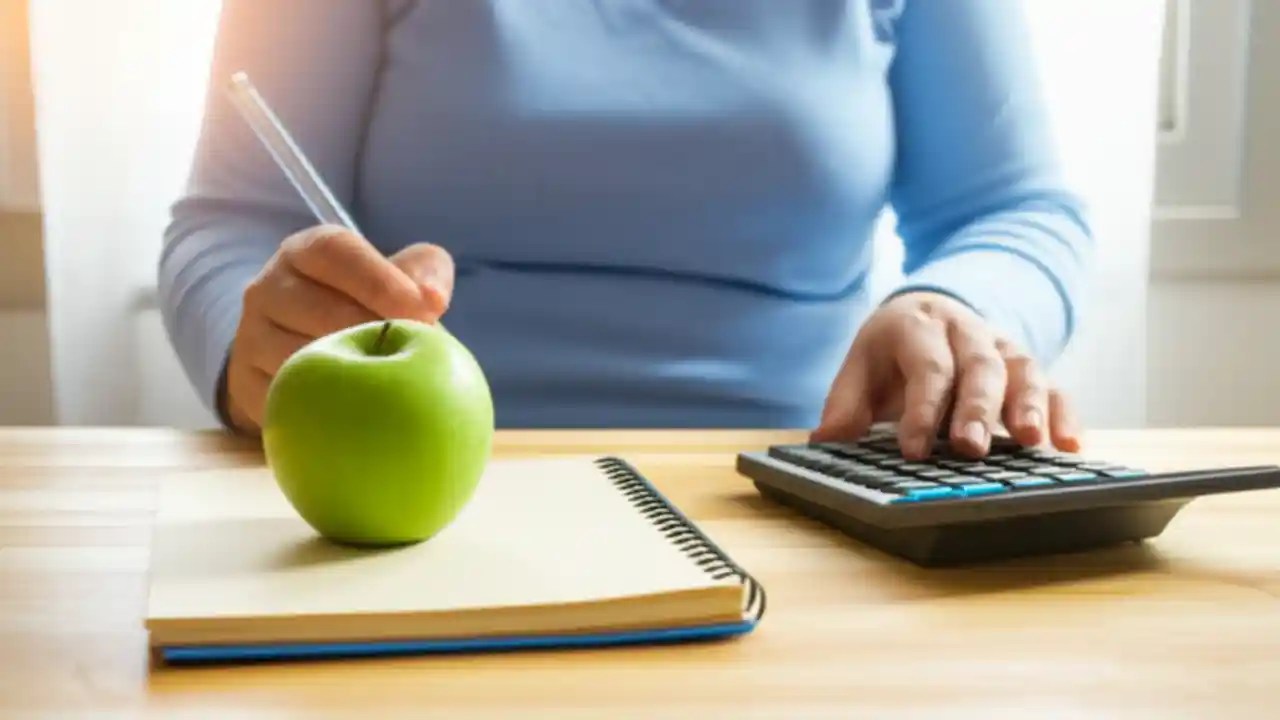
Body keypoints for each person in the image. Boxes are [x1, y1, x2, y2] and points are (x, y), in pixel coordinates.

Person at [158, 0, 1089, 460]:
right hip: (417, 498)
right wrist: (255, 342)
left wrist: (950, 306)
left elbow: (1014, 209)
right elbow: (233, 220)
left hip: (804, 491)